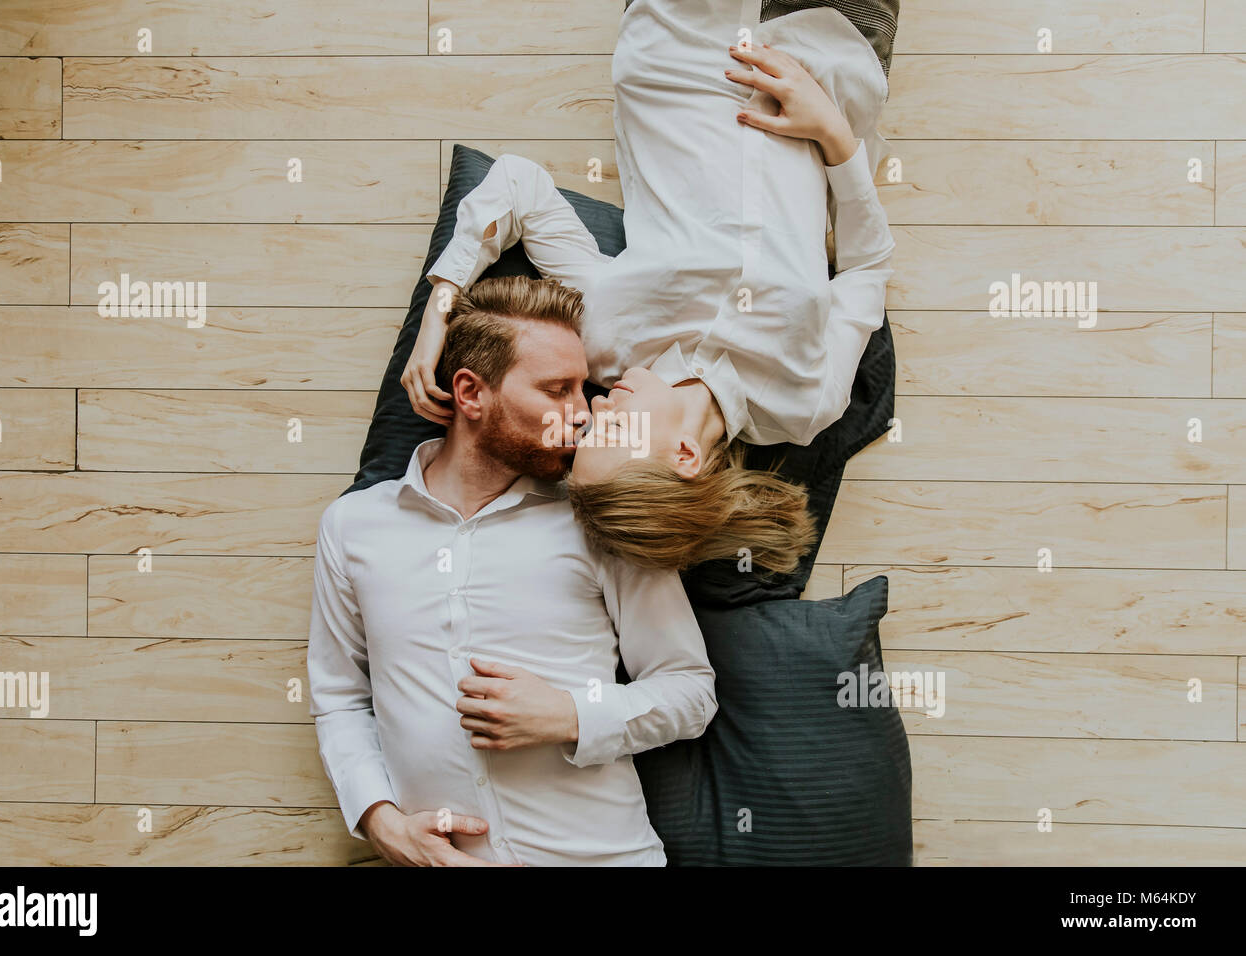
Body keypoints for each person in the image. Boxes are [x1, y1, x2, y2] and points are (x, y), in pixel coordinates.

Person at [404, 0, 895, 574]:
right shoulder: (806, 401)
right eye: (613, 429)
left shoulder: (603, 342)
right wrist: (832, 132)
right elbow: (867, 268)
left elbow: (517, 186)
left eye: (588, 425)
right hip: (831, 58)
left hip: (683, 43)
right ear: (685, 455)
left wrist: (438, 309)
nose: (597, 405)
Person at [308, 274, 717, 866]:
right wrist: (382, 822)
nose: (584, 415)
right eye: (558, 390)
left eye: (584, 387)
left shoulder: (599, 515)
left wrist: (573, 716)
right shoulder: (353, 527)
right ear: (471, 394)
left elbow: (690, 690)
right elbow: (341, 698)